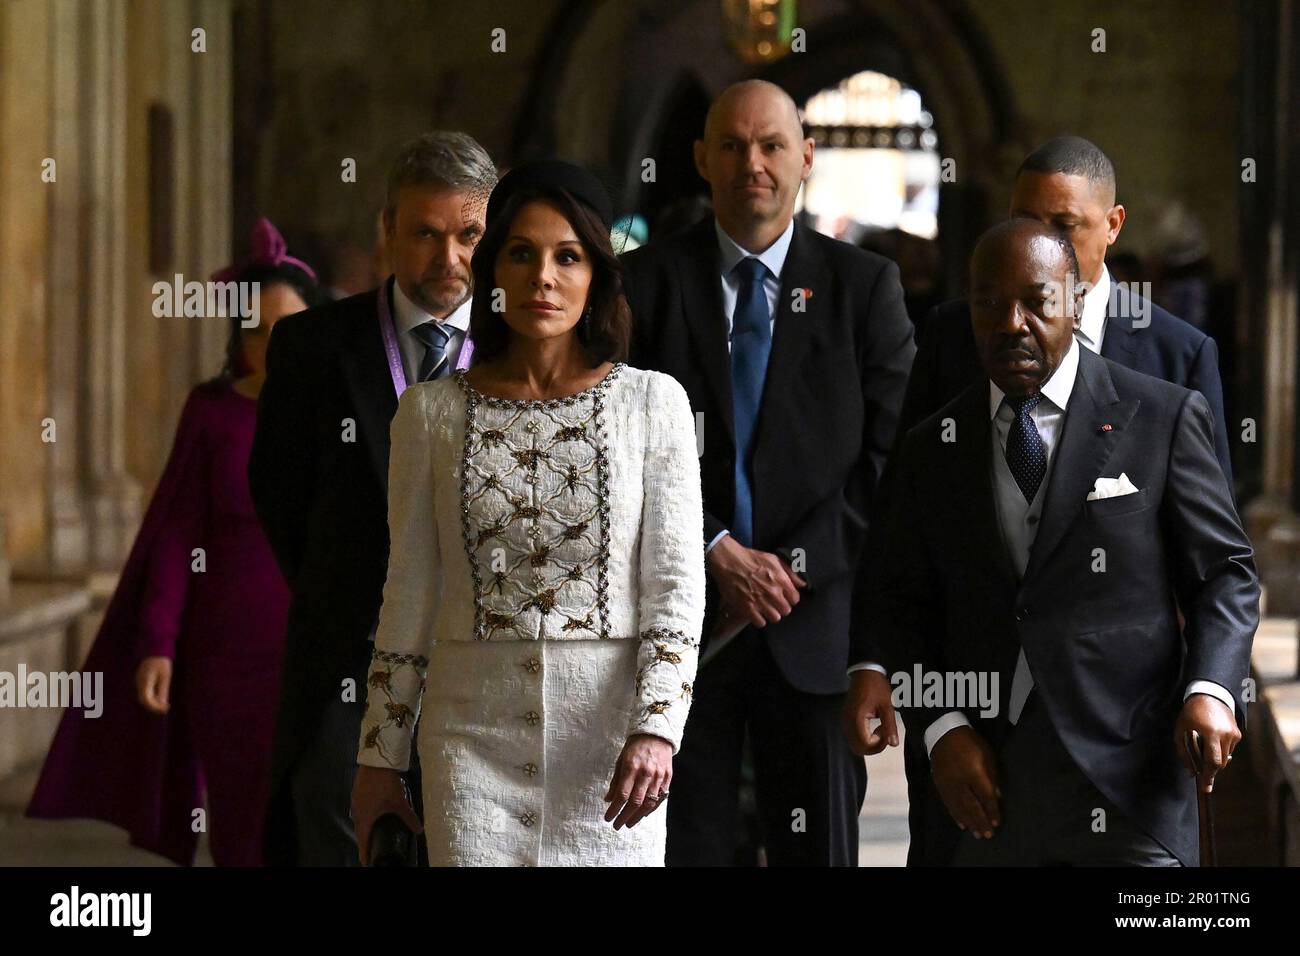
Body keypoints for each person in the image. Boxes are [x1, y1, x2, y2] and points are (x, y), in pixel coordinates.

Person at [847, 135, 1235, 866]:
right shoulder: (954, 356)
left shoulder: (1175, 368)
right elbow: (906, 555)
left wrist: (1209, 684)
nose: (1014, 320)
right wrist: (930, 711)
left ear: (1111, 227)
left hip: (1123, 763)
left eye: (1061, 228)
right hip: (977, 767)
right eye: (1023, 219)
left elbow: (1216, 564)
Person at [349, 159, 705, 866]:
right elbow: (409, 594)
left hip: (610, 753)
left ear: (597, 274)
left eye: (568, 256)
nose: (544, 276)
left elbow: (676, 587)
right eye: (523, 253)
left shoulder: (652, 404)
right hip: (467, 745)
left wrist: (657, 728)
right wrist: (379, 757)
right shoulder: (431, 415)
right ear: (494, 274)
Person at [621, 79, 915, 866]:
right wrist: (713, 546)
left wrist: (793, 567)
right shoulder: (645, 285)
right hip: (682, 636)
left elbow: (891, 463)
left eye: (772, 144)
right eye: (733, 145)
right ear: (701, 160)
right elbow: (616, 451)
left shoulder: (864, 289)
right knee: (686, 851)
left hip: (813, 634)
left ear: (806, 158)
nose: (753, 162)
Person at [28, 219, 317, 866]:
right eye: (258, 330)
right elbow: (175, 532)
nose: (276, 345)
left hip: (316, 658)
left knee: (315, 819)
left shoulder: (340, 414)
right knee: (242, 825)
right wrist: (157, 644)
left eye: (291, 329)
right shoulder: (211, 411)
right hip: (224, 659)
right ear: (239, 339)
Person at [249, 131, 496, 866]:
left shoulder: (527, 345)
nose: (447, 259)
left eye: (469, 235)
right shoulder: (311, 348)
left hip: (480, 669)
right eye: (425, 233)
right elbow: (280, 498)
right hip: (344, 664)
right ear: (387, 229)